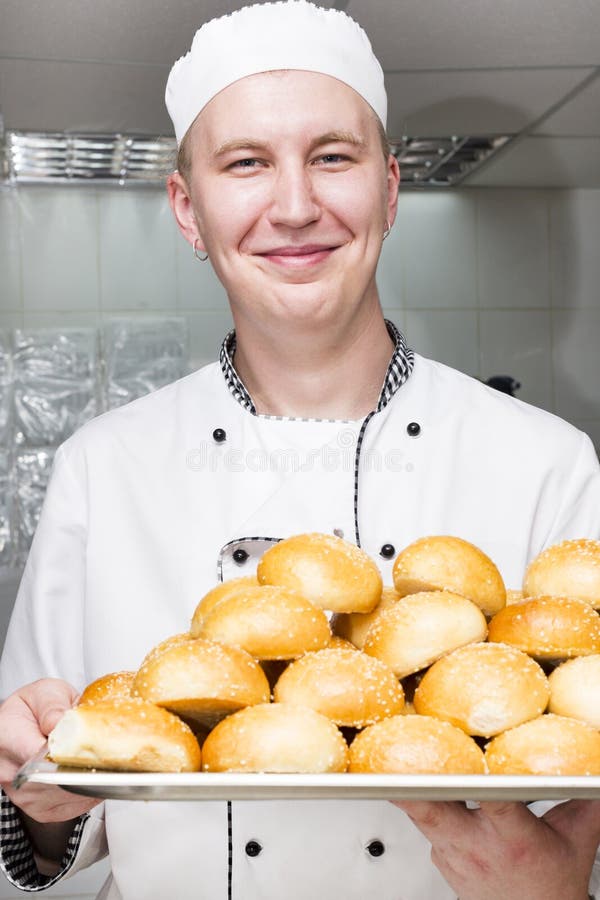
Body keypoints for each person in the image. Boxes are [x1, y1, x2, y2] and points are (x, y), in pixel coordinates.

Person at [1, 2, 599, 898]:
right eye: (246, 163)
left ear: (389, 190)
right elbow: (42, 807)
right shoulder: (103, 466)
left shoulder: (547, 463)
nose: (293, 207)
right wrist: (36, 801)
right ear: (188, 209)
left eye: (332, 157)